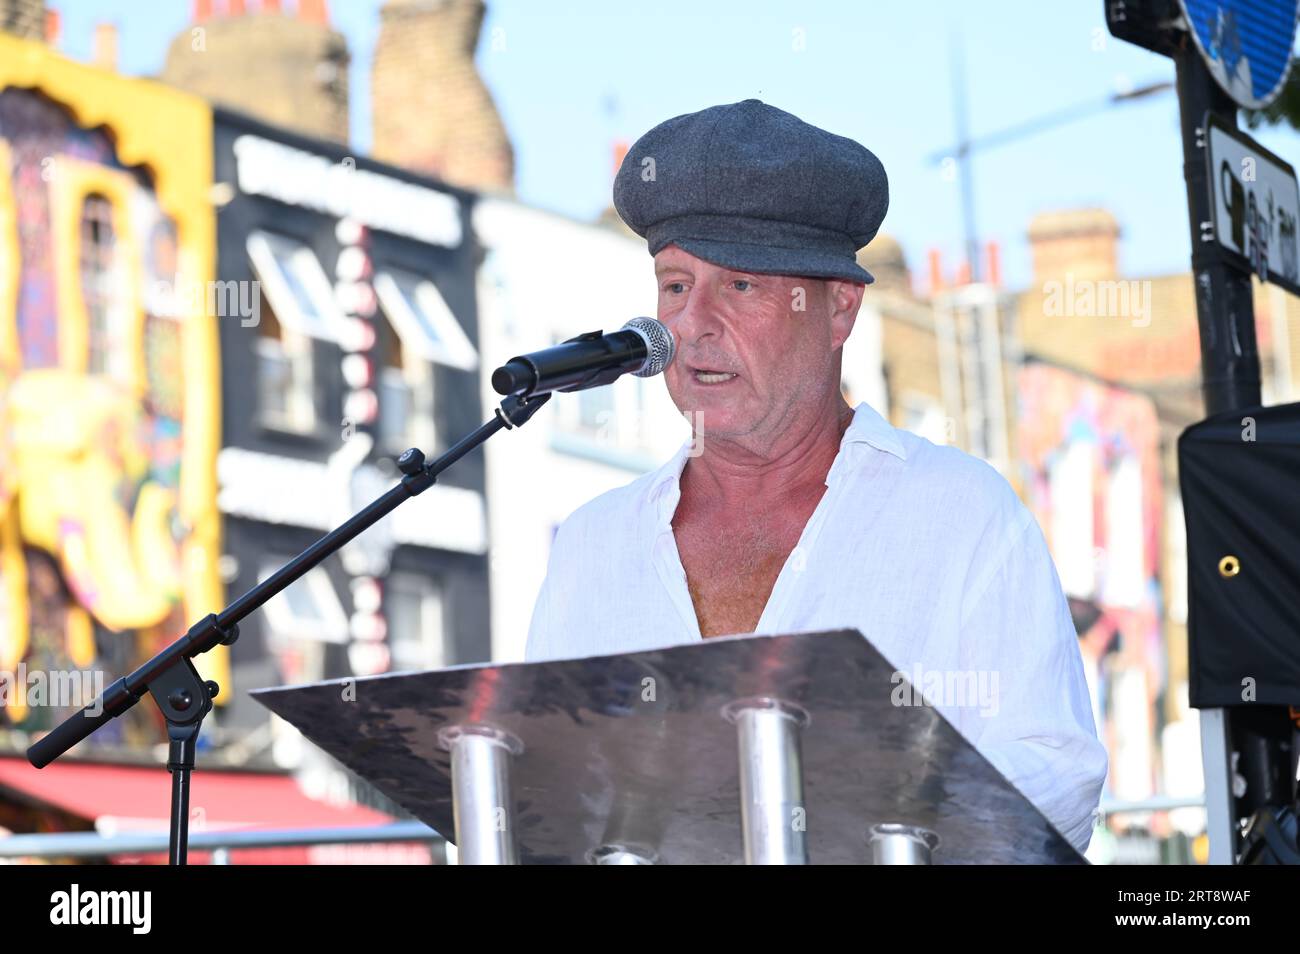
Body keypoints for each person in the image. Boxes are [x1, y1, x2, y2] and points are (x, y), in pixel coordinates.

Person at [525, 100, 1106, 854]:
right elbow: (534, 791)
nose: (691, 323)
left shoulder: (960, 515)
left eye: (739, 287)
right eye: (675, 286)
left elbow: (1054, 788)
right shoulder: (593, 544)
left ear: (839, 311)